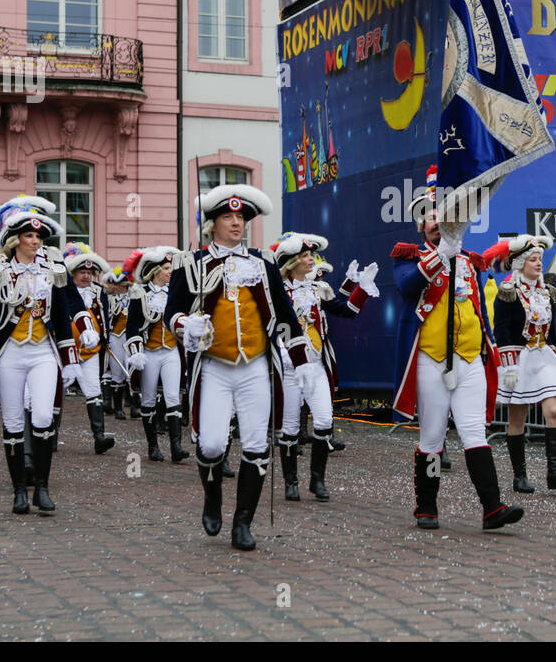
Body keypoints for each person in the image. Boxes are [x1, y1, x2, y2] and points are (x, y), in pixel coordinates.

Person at [165, 184, 310, 550]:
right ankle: (212, 495)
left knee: (257, 444)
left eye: (241, 218)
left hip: (255, 366)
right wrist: (186, 324)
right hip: (214, 364)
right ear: (212, 223)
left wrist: (301, 362)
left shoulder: (262, 265)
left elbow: (286, 315)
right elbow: (172, 313)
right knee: (212, 444)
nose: (236, 223)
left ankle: (242, 522)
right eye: (228, 217)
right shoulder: (191, 263)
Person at [391, 167, 523, 532]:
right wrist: (439, 256)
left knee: (474, 432)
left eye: (442, 216)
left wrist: (491, 349)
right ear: (421, 227)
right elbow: (407, 287)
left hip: (468, 359)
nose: (437, 223)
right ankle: (427, 507)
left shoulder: (468, 261)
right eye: (430, 219)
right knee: (432, 436)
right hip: (431, 360)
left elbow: (477, 309)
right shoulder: (408, 257)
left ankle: (492, 507)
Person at [0, 196, 95, 516]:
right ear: (15, 241)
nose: (36, 241)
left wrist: (75, 351)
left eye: (39, 237)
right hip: (10, 351)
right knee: (13, 423)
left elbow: (68, 308)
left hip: (43, 351)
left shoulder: (54, 269)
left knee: (42, 416)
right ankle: (18, 493)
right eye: (29, 236)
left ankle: (42, 487)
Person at [267, 231, 378, 503]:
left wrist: (362, 287)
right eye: (305, 256)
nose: (310, 260)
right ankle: (291, 482)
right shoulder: (277, 292)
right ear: (292, 261)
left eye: (310, 255)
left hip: (315, 364)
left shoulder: (318, 289)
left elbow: (347, 310)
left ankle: (317, 481)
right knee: (290, 427)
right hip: (289, 364)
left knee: (325, 420)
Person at [487, 234, 556, 493]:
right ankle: (519, 476)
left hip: (544, 355)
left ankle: (554, 472)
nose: (539, 264)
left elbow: (553, 329)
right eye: (533, 260)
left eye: (540, 259)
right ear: (520, 263)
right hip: (519, 357)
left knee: (554, 412)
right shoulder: (508, 292)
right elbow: (501, 330)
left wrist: (555, 349)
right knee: (518, 419)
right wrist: (509, 365)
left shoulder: (547, 291)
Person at [123, 246, 188, 465]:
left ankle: (176, 447)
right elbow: (132, 325)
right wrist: (136, 351)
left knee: (172, 397)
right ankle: (153, 446)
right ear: (155, 270)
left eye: (171, 267)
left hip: (171, 350)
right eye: (167, 268)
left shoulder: (176, 293)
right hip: (149, 352)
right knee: (149, 399)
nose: (171, 271)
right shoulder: (140, 293)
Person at [64, 243, 117, 456]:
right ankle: (50, 435)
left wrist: (104, 338)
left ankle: (99, 437)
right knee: (56, 392)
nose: (86, 276)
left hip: (91, 349)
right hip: (66, 349)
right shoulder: (64, 291)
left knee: (93, 390)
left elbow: (104, 317)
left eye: (89, 272)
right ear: (73, 273)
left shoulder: (98, 291)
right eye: (81, 272)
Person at [101, 265, 132, 421]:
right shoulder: (109, 299)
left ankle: (133, 405)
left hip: (130, 336)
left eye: (117, 283)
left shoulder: (135, 298)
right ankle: (118, 407)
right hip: (115, 336)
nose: (113, 286)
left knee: (132, 370)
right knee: (117, 371)